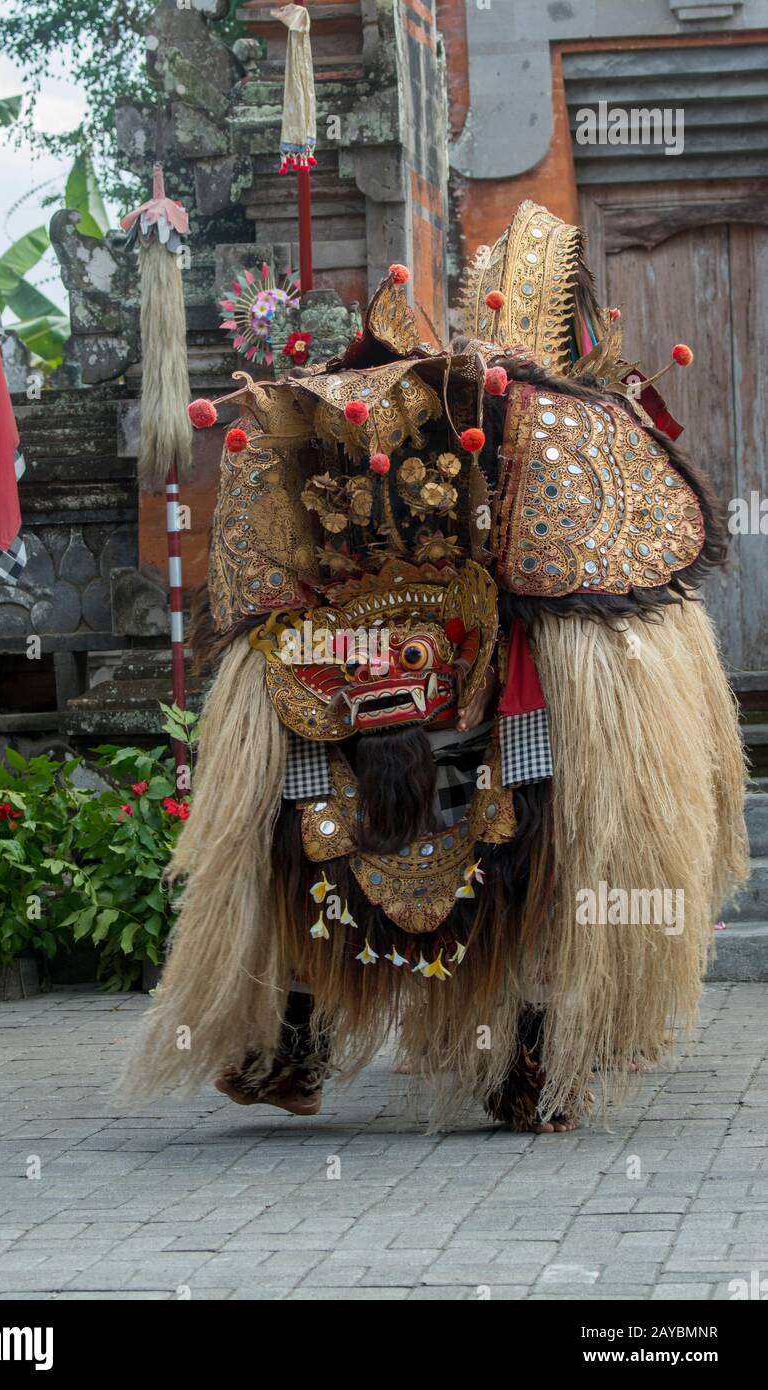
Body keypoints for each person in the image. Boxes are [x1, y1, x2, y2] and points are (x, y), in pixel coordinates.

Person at [122, 201, 747, 1134]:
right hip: (487, 664)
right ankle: (511, 1057)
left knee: (290, 834)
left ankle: (298, 1040)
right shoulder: (568, 449)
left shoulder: (523, 457)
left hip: (398, 659)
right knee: (544, 835)